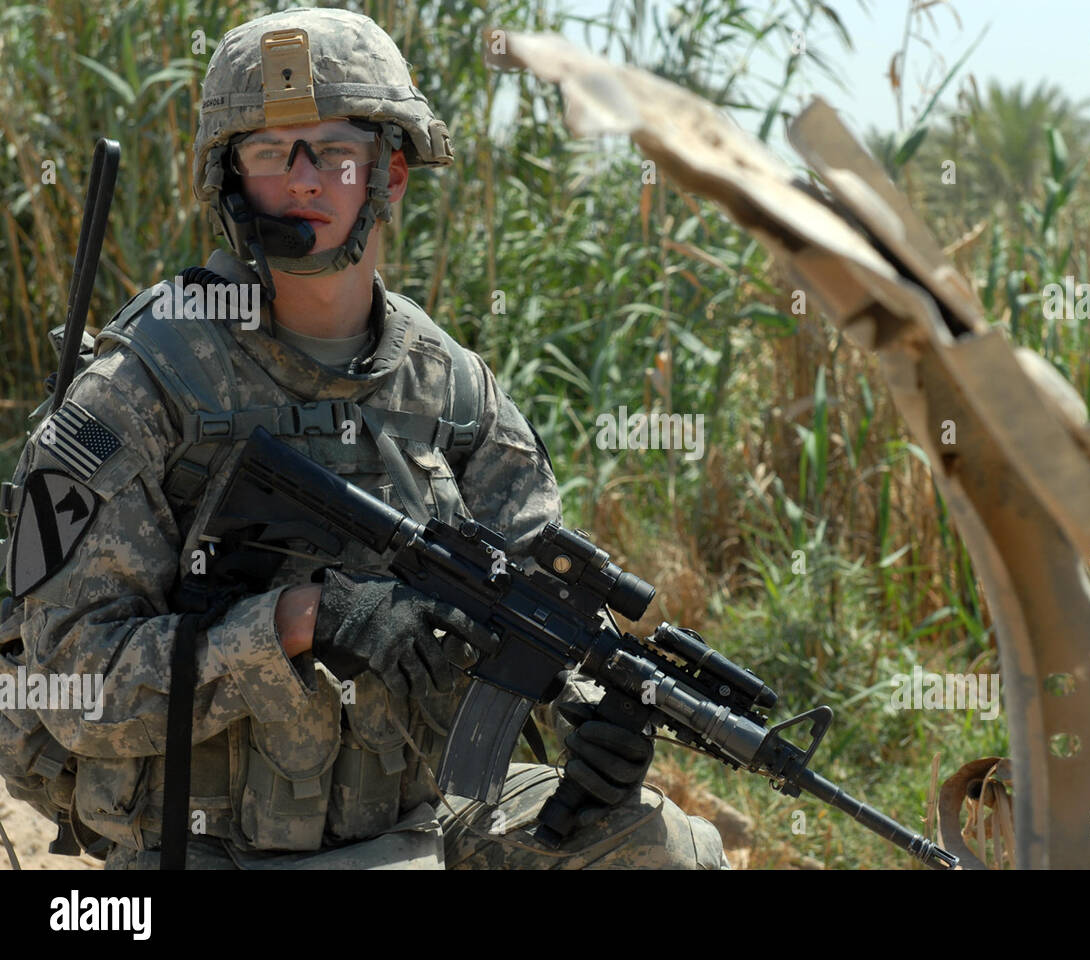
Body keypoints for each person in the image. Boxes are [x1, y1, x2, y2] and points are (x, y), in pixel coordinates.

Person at [1, 7, 726, 870]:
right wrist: (300, 621)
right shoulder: (143, 388)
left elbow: (534, 606)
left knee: (664, 847)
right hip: (203, 847)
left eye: (335, 151)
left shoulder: (450, 390)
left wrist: (592, 725)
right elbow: (69, 689)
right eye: (270, 152)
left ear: (393, 175)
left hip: (418, 824)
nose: (302, 179)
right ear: (230, 181)